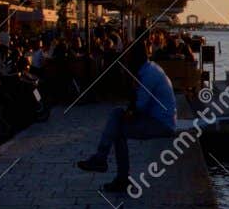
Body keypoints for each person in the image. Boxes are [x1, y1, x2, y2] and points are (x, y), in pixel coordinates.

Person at [76, 39, 178, 192]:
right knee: (117, 114)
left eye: (127, 56)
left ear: (135, 57)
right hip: (156, 118)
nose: (125, 59)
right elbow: (134, 103)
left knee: (118, 130)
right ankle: (104, 162)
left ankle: (114, 171)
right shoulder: (148, 69)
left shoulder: (148, 75)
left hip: (162, 124)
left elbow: (138, 107)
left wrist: (125, 114)